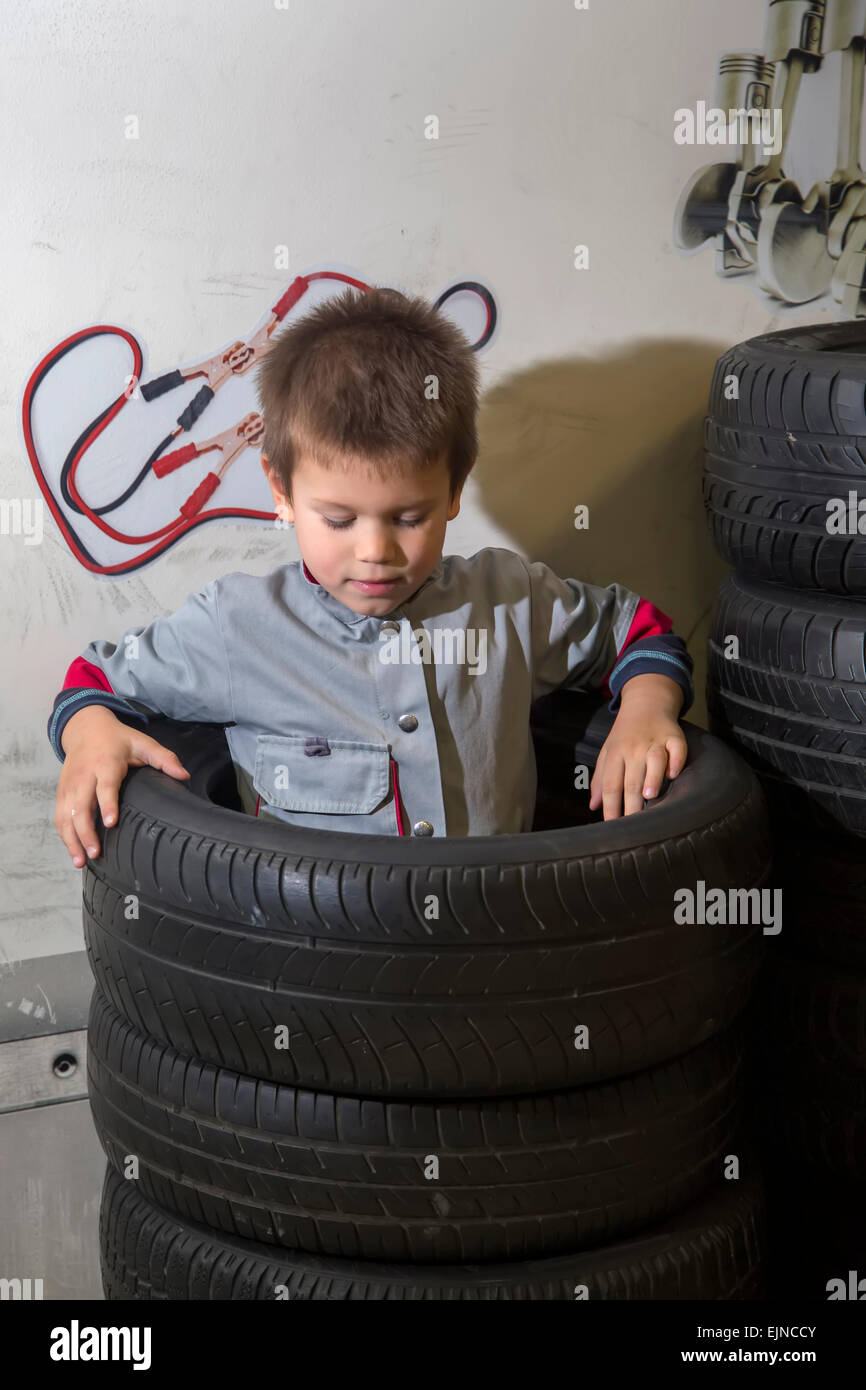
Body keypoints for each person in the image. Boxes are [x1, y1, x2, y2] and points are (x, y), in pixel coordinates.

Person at [49, 286, 693, 866]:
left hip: (495, 945)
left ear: (453, 491)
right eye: (338, 520)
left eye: (409, 516)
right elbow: (96, 678)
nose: (375, 551)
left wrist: (646, 706)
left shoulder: (509, 601)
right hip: (308, 957)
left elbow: (637, 629)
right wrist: (90, 736)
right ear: (281, 492)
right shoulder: (235, 625)